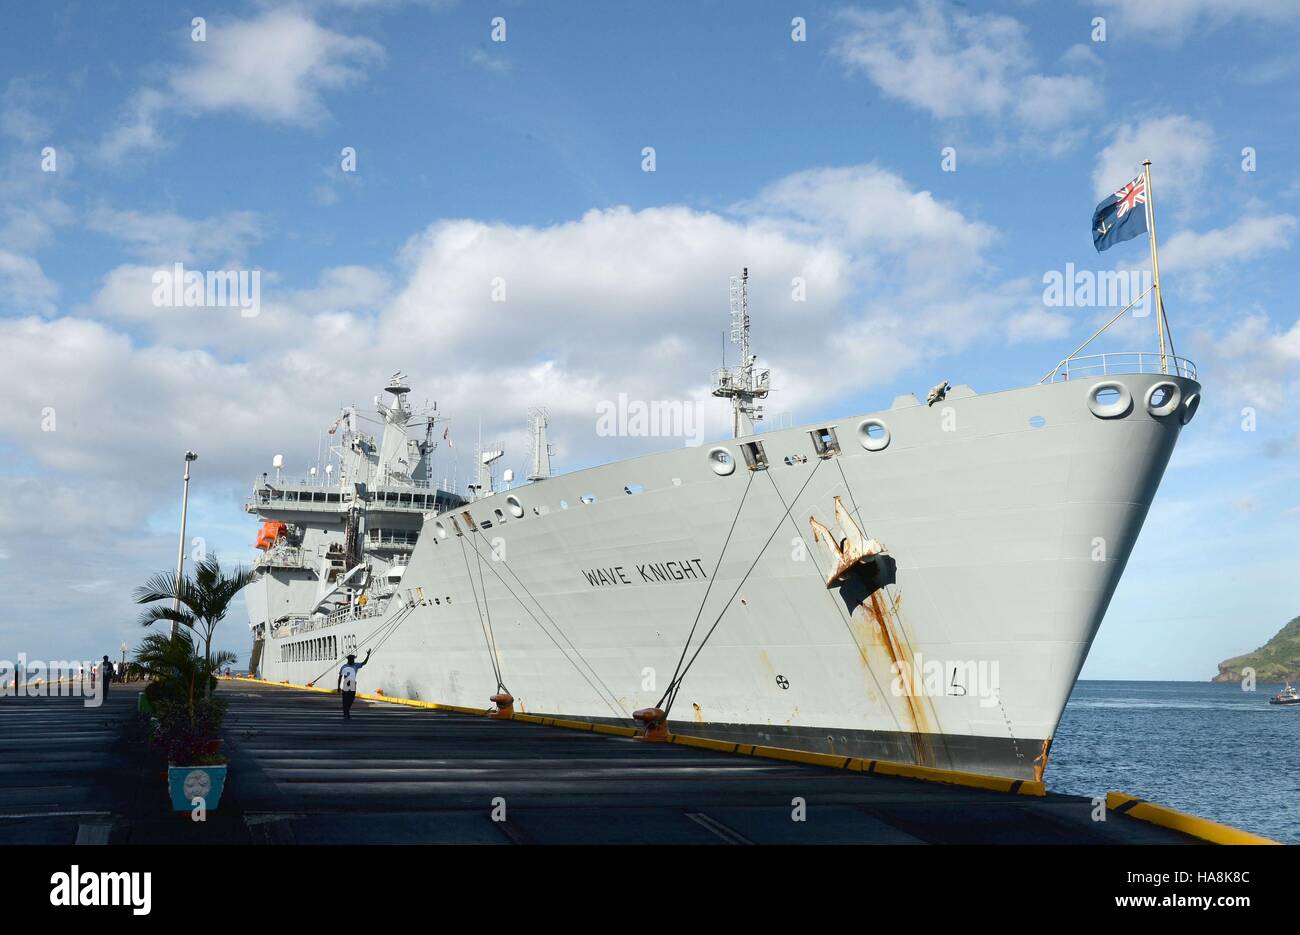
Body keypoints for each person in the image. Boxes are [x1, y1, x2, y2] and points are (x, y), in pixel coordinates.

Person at [337, 649, 371, 719]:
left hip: (352, 683)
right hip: (346, 683)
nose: (353, 660)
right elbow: (340, 677)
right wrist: (338, 687)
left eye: (353, 659)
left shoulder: (356, 665)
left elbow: (364, 663)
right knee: (345, 699)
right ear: (349, 660)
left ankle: (347, 711)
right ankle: (346, 713)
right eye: (351, 659)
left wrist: (368, 655)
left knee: (351, 698)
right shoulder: (344, 666)